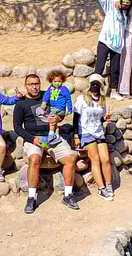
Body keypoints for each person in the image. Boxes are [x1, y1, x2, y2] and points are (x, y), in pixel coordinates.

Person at [13, 73, 79, 213]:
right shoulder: (21, 104)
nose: (34, 87)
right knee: (35, 159)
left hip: (52, 137)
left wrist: (59, 117)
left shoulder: (48, 95)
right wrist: (32, 139)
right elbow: (17, 127)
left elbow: (60, 109)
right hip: (34, 138)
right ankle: (31, 197)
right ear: (26, 86)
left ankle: (68, 195)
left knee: (71, 158)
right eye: (31, 84)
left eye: (37, 83)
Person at [73, 74, 114, 201]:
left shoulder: (102, 100)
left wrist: (105, 118)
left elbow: (100, 119)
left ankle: (108, 185)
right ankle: (101, 189)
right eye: (93, 83)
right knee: (95, 159)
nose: (95, 86)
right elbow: (76, 118)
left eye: (97, 83)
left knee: (106, 159)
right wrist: (76, 136)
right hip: (86, 132)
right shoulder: (81, 99)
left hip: (99, 132)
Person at [92, 0, 130, 100]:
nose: (125, 3)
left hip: (118, 45)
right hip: (105, 41)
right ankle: (94, 92)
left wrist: (122, 1)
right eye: (123, 0)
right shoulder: (111, 6)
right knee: (99, 67)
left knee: (115, 70)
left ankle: (114, 92)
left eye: (127, 2)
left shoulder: (126, 15)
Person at [41, 70, 73, 147]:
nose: (57, 83)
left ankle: (51, 134)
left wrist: (69, 109)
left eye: (59, 81)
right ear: (51, 81)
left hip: (60, 108)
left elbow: (68, 99)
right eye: (55, 81)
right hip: (53, 108)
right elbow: (46, 95)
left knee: (51, 119)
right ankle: (55, 134)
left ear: (63, 81)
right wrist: (44, 102)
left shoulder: (64, 89)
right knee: (52, 120)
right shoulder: (50, 88)